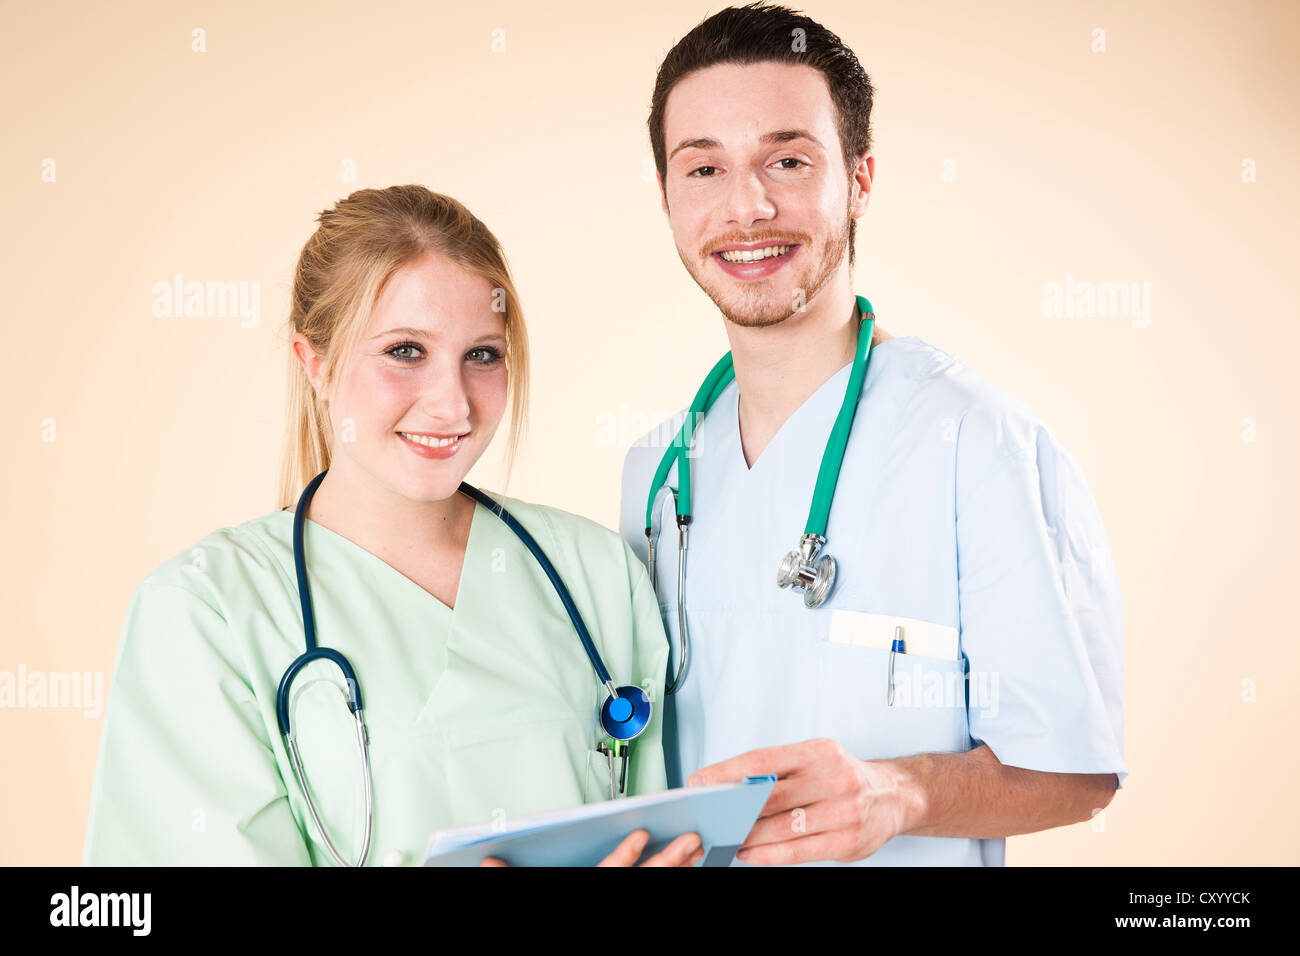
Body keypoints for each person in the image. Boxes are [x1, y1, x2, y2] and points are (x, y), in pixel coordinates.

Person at [619, 3, 1126, 866]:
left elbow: (1078, 772)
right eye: (703, 169)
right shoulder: (658, 471)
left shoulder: (977, 444)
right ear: (666, 193)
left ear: (859, 179)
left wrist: (903, 791)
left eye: (787, 160)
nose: (746, 207)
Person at [84, 185, 700, 867]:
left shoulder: (595, 573)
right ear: (313, 361)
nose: (452, 402)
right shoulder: (208, 609)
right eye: (406, 351)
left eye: (483, 354)